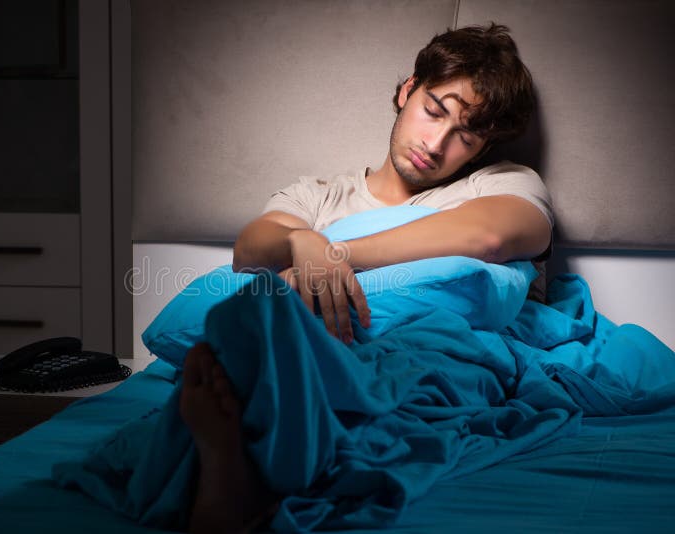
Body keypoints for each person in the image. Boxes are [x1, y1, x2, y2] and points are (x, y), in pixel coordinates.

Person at [181, 23, 553, 533]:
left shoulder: (500, 183)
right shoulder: (318, 197)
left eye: (465, 137)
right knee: (254, 313)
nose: (436, 144)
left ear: (480, 149)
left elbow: (492, 236)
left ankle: (267, 451)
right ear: (408, 91)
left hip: (419, 343)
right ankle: (271, 439)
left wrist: (334, 252)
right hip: (321, 337)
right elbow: (249, 250)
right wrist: (298, 241)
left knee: (417, 369)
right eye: (434, 111)